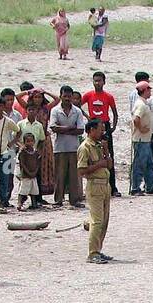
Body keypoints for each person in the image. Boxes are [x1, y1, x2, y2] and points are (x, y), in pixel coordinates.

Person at [76, 118, 113, 262]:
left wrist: (106, 150)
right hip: (94, 185)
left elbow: (109, 165)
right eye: (100, 129)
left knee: (104, 220)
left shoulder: (99, 145)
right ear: (91, 130)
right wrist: (99, 165)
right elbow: (81, 170)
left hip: (105, 185)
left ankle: (98, 249)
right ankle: (92, 253)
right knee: (97, 221)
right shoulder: (85, 147)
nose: (102, 132)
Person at [49, 87, 86, 208]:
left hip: (74, 147)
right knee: (59, 175)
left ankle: (74, 200)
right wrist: (70, 128)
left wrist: (63, 129)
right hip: (60, 148)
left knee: (74, 175)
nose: (67, 99)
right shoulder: (55, 110)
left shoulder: (77, 111)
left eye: (69, 96)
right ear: (60, 96)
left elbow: (80, 130)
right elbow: (53, 128)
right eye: (65, 96)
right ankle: (58, 200)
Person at [128, 81, 153, 195]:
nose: (150, 91)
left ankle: (150, 186)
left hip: (145, 139)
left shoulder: (143, 103)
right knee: (139, 164)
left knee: (149, 163)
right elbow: (136, 119)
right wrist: (141, 128)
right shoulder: (141, 104)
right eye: (148, 89)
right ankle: (135, 187)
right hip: (140, 139)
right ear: (144, 91)